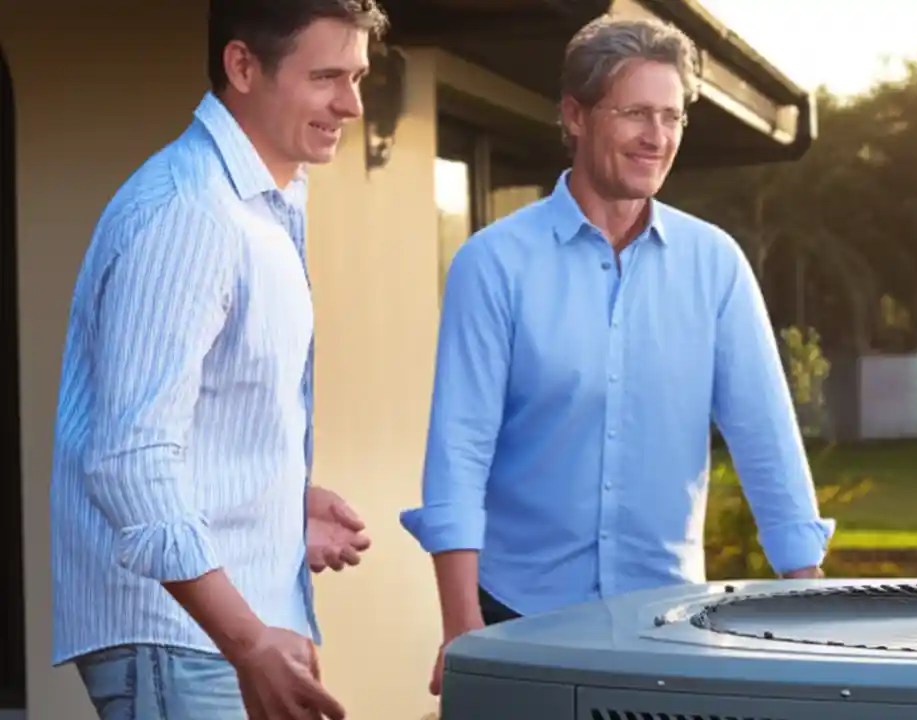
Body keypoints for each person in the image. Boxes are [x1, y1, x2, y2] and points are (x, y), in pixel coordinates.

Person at [399, 14, 836, 697]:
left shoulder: (714, 264)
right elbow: (459, 452)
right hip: (518, 616)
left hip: (671, 623)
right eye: (635, 112)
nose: (656, 137)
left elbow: (766, 437)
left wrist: (809, 604)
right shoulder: (492, 265)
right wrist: (461, 626)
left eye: (672, 116)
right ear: (575, 115)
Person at [49, 1, 388, 717]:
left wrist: (275, 501)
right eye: (327, 76)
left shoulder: (263, 205)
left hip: (223, 634)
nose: (351, 104)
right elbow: (130, 459)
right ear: (242, 66)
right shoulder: (189, 212)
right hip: (183, 641)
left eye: (357, 76)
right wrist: (247, 643)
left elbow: (190, 427)